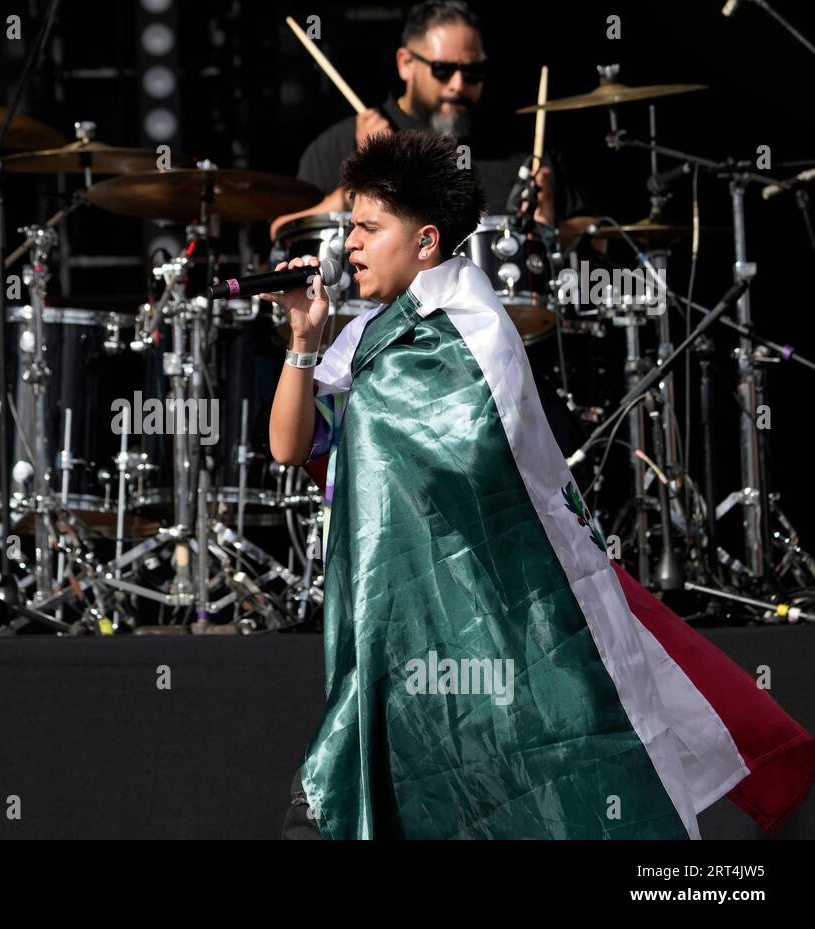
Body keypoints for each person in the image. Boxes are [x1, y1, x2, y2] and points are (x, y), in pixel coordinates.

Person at [266, 130, 815, 839]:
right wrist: (303, 340)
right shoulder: (366, 336)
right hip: (388, 623)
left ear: (427, 241)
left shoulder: (473, 334)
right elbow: (288, 447)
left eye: (369, 228)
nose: (350, 246)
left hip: (479, 625)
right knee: (341, 798)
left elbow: (483, 472)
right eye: (349, 228)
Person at [271, 0, 586, 242]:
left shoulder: (521, 151)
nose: (458, 85)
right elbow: (281, 233)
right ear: (406, 64)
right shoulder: (342, 144)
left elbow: (592, 234)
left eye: (473, 72)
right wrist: (351, 192)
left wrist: (550, 229)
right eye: (442, 70)